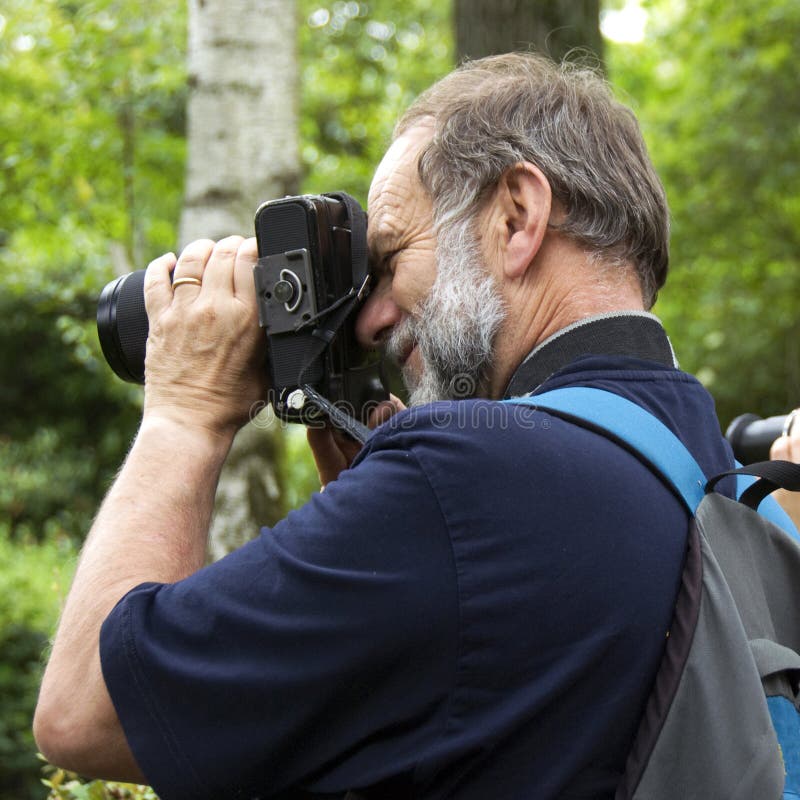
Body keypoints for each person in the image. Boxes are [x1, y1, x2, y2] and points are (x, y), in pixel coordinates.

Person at [34, 53, 740, 800]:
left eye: (393, 256)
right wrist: (372, 515)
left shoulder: (465, 481)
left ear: (517, 218)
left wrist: (185, 415)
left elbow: (86, 710)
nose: (370, 321)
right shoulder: (713, 467)